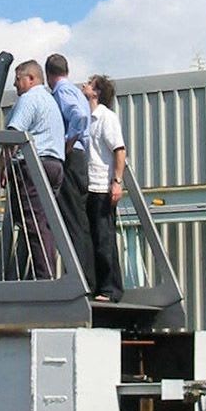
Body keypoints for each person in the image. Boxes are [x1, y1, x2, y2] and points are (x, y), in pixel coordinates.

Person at [1, 60, 65, 279]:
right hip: (55, 165)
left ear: (31, 78)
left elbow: (14, 135)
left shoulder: (29, 99)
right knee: (44, 221)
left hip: (33, 166)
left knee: (32, 222)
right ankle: (36, 274)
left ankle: (43, 278)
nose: (15, 84)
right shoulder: (50, 100)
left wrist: (1, 168)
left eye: (18, 79)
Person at [44, 53, 95, 286]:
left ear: (48, 75)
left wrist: (68, 141)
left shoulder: (62, 92)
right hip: (82, 157)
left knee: (70, 217)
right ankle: (85, 276)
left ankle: (78, 277)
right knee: (79, 218)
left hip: (72, 156)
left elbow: (80, 115)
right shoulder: (75, 91)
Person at [81, 74, 126, 301]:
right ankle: (99, 287)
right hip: (88, 186)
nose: (84, 86)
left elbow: (119, 149)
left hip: (101, 185)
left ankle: (109, 289)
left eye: (89, 84)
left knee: (104, 238)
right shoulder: (86, 118)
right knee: (91, 238)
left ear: (96, 92)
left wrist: (116, 182)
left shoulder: (106, 118)